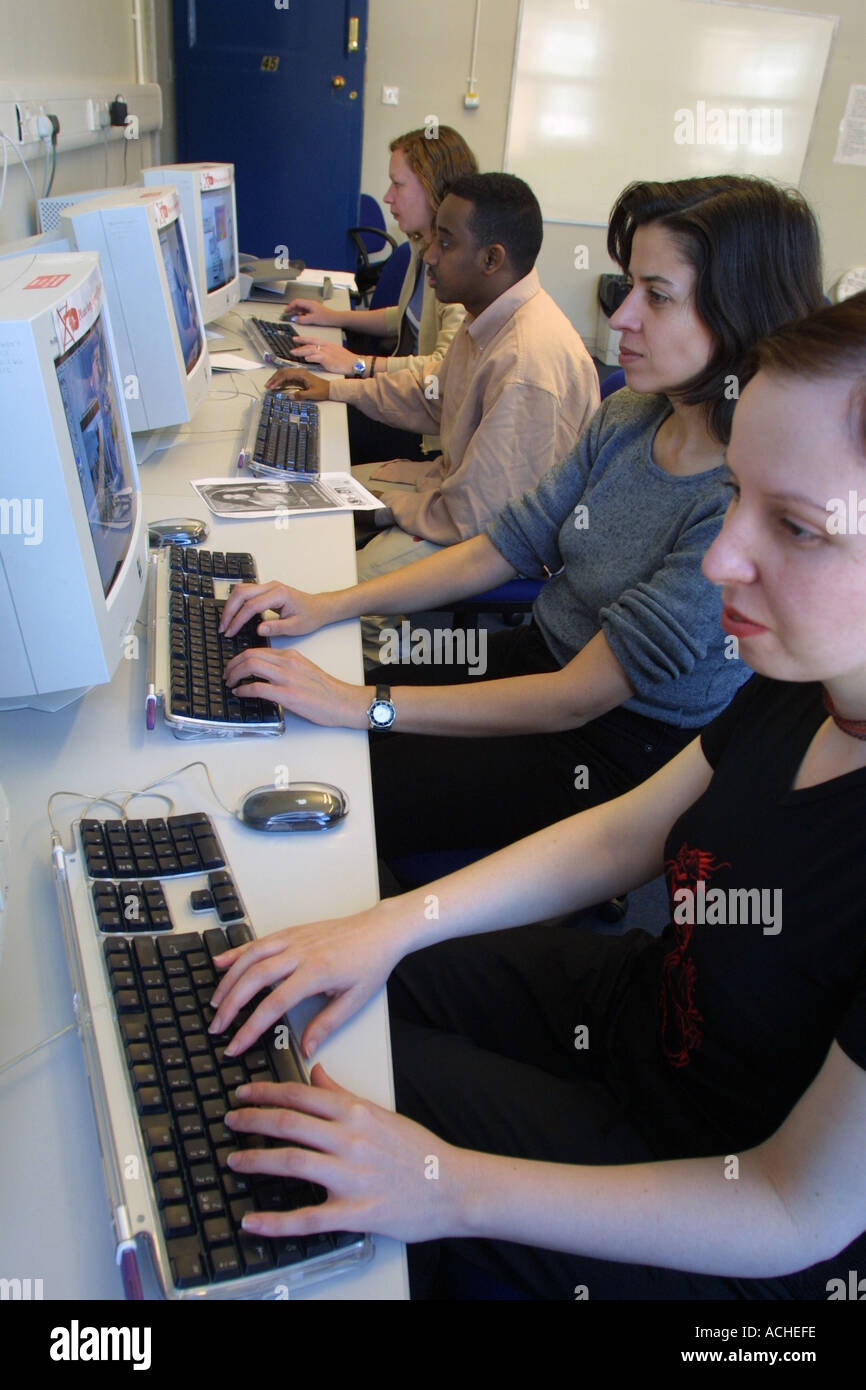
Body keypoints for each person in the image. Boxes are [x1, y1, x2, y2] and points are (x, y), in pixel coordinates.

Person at [209, 292, 866, 1301]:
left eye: (794, 526)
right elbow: (623, 834)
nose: (722, 555)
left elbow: (789, 1209)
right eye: (735, 496)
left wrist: (446, 1188)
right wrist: (389, 923)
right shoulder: (799, 686)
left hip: (708, 1197)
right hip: (634, 1019)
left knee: (294, 1100)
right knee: (313, 988)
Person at [220, 177, 824, 863]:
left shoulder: (734, 502)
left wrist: (365, 705)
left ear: (739, 312)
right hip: (537, 652)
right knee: (322, 674)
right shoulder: (631, 417)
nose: (621, 316)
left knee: (347, 775)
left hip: (608, 741)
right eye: (630, 287)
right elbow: (505, 544)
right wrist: (325, 605)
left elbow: (572, 701)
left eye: (655, 297)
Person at [266, 172, 600, 647]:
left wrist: (385, 510)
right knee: (314, 491)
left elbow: (478, 519)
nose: (429, 255)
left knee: (333, 597)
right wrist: (335, 390)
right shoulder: (486, 315)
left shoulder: (527, 361)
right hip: (452, 493)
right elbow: (433, 397)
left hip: (488, 539)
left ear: (492, 258)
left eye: (445, 243)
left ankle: (337, 697)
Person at [282, 126, 477, 465]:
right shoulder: (420, 244)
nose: (387, 197)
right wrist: (331, 316)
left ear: (432, 189)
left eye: (398, 185)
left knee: (313, 430)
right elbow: (400, 316)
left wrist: (358, 364)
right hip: (403, 398)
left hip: (424, 432)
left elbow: (441, 368)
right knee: (303, 415)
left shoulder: (457, 271)